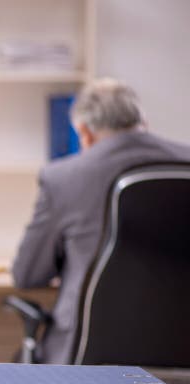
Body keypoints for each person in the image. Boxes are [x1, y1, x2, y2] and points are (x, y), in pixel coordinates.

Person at [11, 78, 190, 364]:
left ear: (84, 133)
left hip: (90, 358)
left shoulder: (63, 178)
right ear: (144, 121)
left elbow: (28, 274)